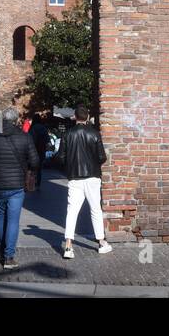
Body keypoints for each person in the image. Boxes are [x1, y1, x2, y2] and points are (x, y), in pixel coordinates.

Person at [0, 107, 40, 269]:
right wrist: (29, 170)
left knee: (0, 216)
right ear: (15, 120)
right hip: (16, 185)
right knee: (13, 220)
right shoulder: (25, 137)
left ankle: (1, 249)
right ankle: (8, 256)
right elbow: (35, 161)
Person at [57, 105, 113, 258]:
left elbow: (60, 157)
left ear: (75, 117)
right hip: (92, 176)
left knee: (72, 211)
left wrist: (69, 168)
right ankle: (101, 242)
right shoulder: (94, 134)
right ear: (87, 117)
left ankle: (68, 246)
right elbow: (102, 157)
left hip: (75, 177)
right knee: (95, 209)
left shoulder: (67, 134)